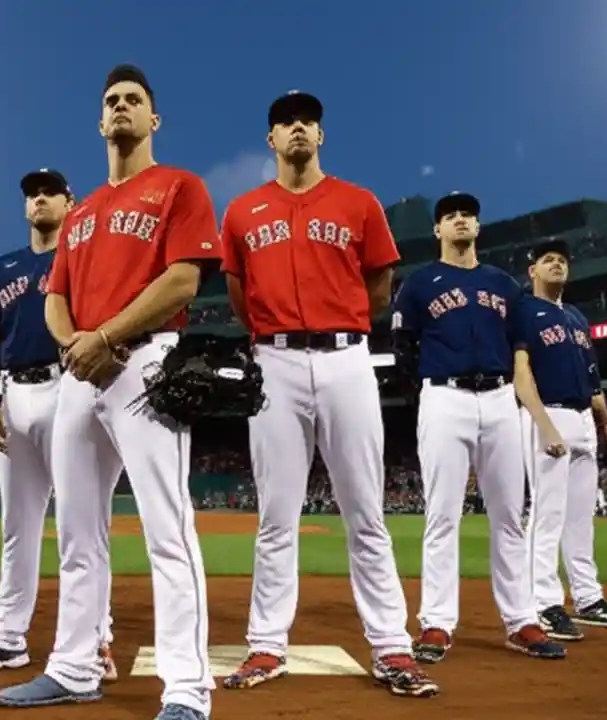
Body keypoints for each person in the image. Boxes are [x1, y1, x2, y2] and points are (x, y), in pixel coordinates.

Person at [0, 64, 217, 720]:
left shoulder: (179, 186)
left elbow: (183, 281)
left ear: (154, 120)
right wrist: (75, 346)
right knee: (77, 533)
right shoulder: (84, 210)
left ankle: (186, 690)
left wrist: (106, 338)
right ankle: (72, 667)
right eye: (112, 101)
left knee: (167, 528)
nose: (121, 107)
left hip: (145, 365)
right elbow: (54, 297)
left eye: (134, 101)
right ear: (101, 123)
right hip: (80, 373)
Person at [216, 90, 436, 698]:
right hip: (275, 362)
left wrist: (339, 323)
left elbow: (381, 284)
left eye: (308, 121)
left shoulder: (358, 201)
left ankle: (392, 644)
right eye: (286, 122)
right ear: (271, 139)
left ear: (321, 135)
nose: (297, 129)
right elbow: (238, 294)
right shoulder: (241, 212)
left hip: (345, 360)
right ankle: (266, 645)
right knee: (275, 517)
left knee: (365, 512)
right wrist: (275, 333)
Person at [0, 168, 117, 682]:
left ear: (71, 202)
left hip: (71, 386)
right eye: (31, 194)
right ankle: (6, 637)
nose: (39, 199)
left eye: (49, 192)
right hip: (14, 394)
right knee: (18, 528)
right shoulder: (3, 267)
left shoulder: (86, 253)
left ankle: (96, 638)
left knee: (82, 526)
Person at [391, 191, 566, 663]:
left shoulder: (503, 283)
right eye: (451, 216)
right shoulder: (420, 282)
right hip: (444, 396)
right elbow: (402, 342)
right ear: (438, 230)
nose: (461, 220)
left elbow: (520, 346)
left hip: (498, 398)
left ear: (478, 227)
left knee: (510, 515)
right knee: (442, 515)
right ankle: (436, 623)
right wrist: (427, 390)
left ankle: (521, 620)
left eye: (468, 214)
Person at [516, 239, 607, 641]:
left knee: (579, 519)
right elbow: (521, 374)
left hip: (583, 417)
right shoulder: (523, 311)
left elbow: (591, 379)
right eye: (547, 260)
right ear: (531, 271)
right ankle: (543, 603)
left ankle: (588, 598)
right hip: (547, 412)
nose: (556, 264)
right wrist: (543, 424)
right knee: (546, 514)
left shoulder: (575, 317)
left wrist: (604, 421)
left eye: (561, 260)